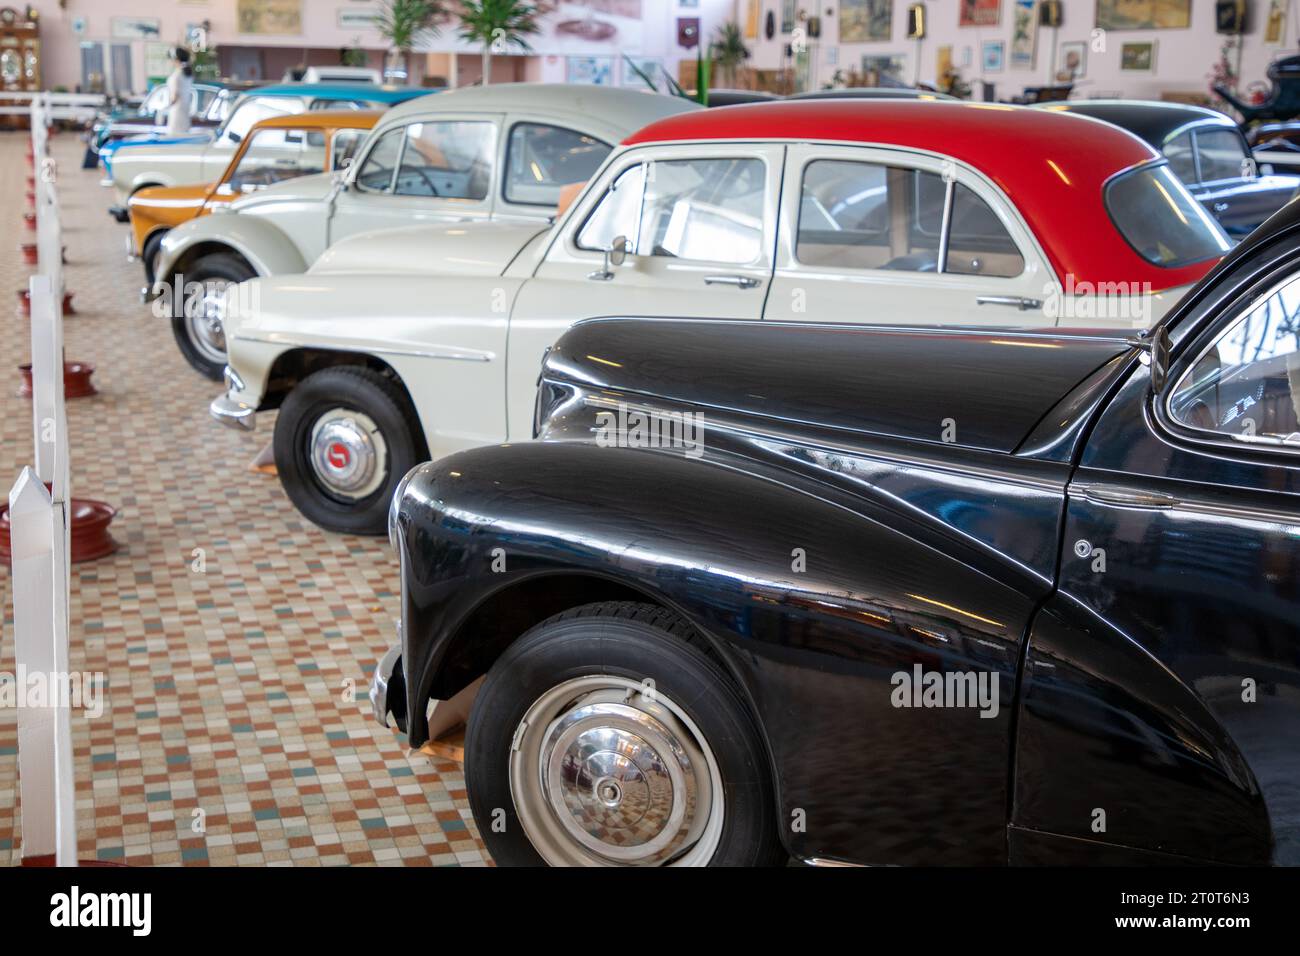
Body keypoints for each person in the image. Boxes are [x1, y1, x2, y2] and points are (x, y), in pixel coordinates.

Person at [162, 47, 193, 137]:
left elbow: (174, 97)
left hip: (176, 110)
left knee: (175, 136)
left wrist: (165, 108)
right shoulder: (187, 73)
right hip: (185, 108)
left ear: (176, 59)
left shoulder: (177, 74)